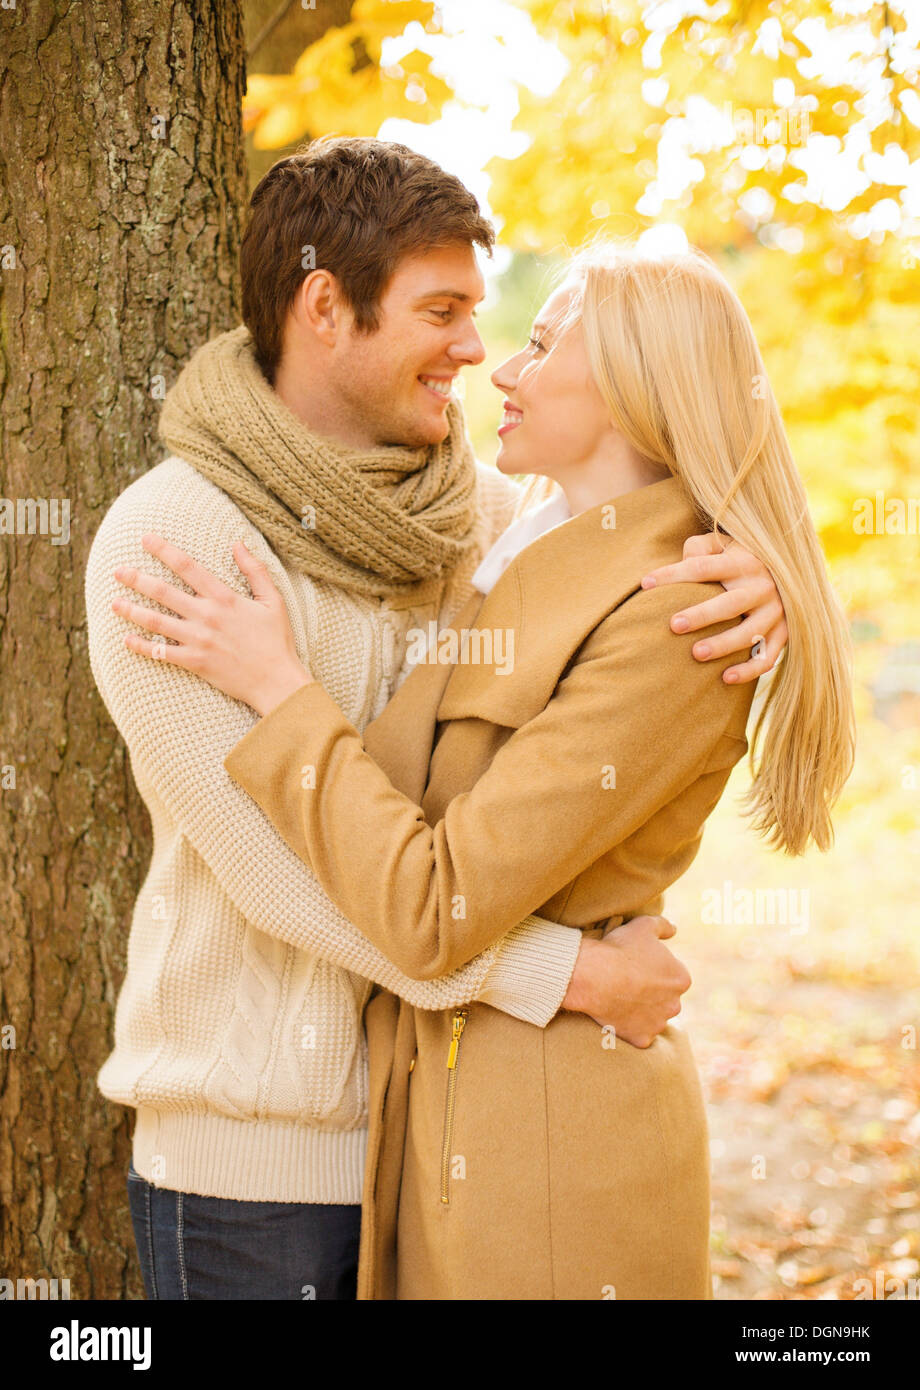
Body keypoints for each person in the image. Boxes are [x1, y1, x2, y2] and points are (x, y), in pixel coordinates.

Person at [89, 139, 789, 1301]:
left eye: (488, 314)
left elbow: (647, 490)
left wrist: (754, 577)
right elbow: (283, 879)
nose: (475, 348)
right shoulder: (174, 547)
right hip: (248, 1170)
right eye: (443, 310)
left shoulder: (479, 518)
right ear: (325, 306)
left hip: (437, 1134)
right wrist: (559, 974)